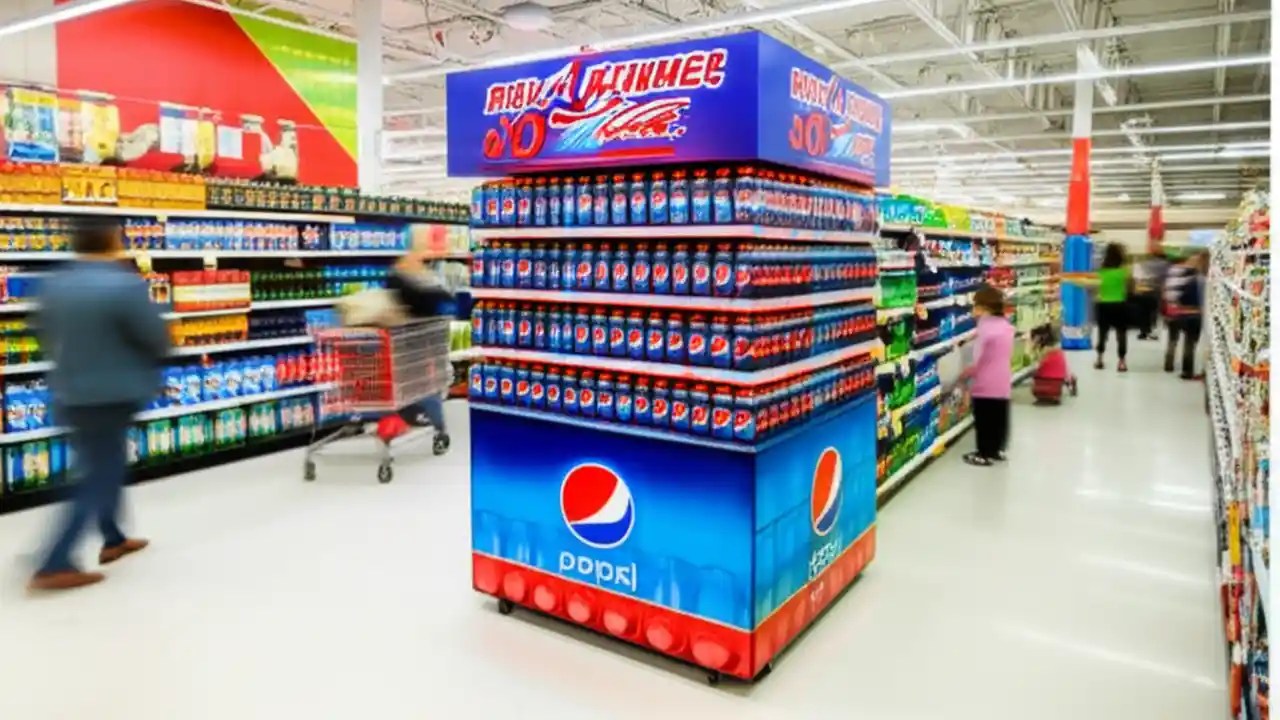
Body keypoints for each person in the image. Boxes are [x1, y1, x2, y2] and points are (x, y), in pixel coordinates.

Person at [30, 218, 170, 591]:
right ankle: (54, 561)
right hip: (113, 393)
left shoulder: (56, 284)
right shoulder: (122, 284)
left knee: (101, 464)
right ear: (111, 241)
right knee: (99, 476)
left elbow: (44, 332)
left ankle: (113, 537)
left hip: (71, 392)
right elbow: (155, 337)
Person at [384, 243, 454, 455]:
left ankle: (416, 415)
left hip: (415, 337)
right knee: (422, 382)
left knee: (416, 380)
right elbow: (444, 301)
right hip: (418, 337)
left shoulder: (401, 279)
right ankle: (427, 420)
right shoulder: (416, 279)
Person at [959, 285, 1015, 467]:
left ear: (984, 308)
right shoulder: (1006, 326)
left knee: (983, 421)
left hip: (984, 384)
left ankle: (983, 453)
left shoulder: (984, 328)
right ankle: (997, 450)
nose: (973, 311)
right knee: (999, 419)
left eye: (975, 307)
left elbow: (978, 357)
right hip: (1002, 383)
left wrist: (966, 373)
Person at [1162, 251, 1207, 379]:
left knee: (1173, 340)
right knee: (1190, 343)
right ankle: (1189, 370)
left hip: (1178, 312)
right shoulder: (1198, 278)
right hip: (1196, 314)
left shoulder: (1174, 274)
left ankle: (1170, 364)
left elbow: (1171, 294)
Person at [1030, 324, 1077, 405]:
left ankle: (1043, 394)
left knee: (1033, 375)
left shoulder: (1045, 350)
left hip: (1044, 381)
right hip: (1058, 382)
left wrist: (1033, 347)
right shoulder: (1058, 349)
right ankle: (1070, 381)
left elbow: (1037, 364)